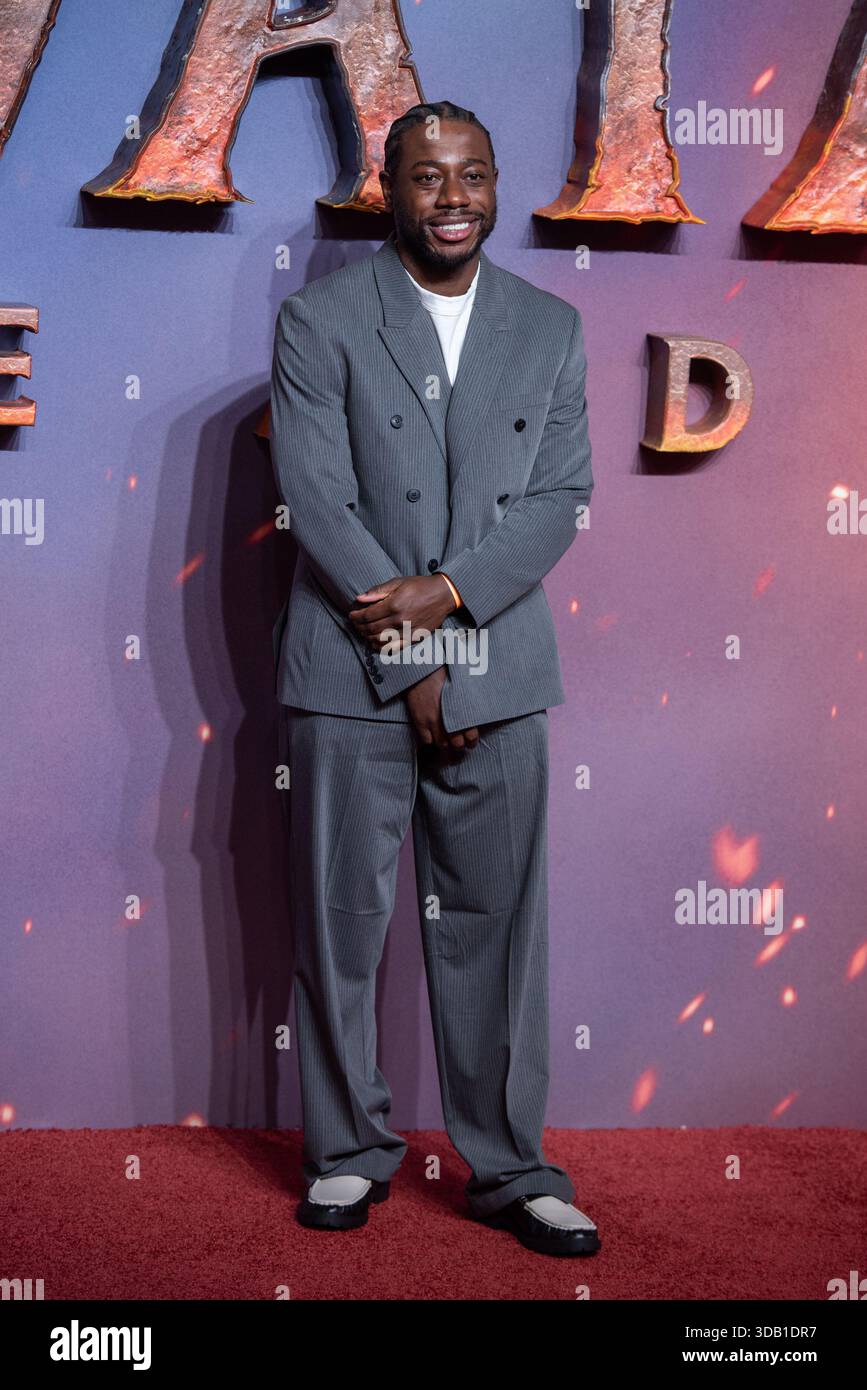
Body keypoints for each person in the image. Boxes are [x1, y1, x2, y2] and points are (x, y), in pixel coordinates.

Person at [269, 100, 598, 1256]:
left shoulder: (551, 326)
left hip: (500, 670)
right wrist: (415, 659)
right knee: (339, 922)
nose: (451, 197)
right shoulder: (317, 321)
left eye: (472, 174)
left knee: (500, 934)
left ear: (496, 184)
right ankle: (349, 1154)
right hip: (349, 667)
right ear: (389, 190)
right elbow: (318, 502)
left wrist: (449, 619)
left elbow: (559, 502)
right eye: (426, 177)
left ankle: (511, 1169)